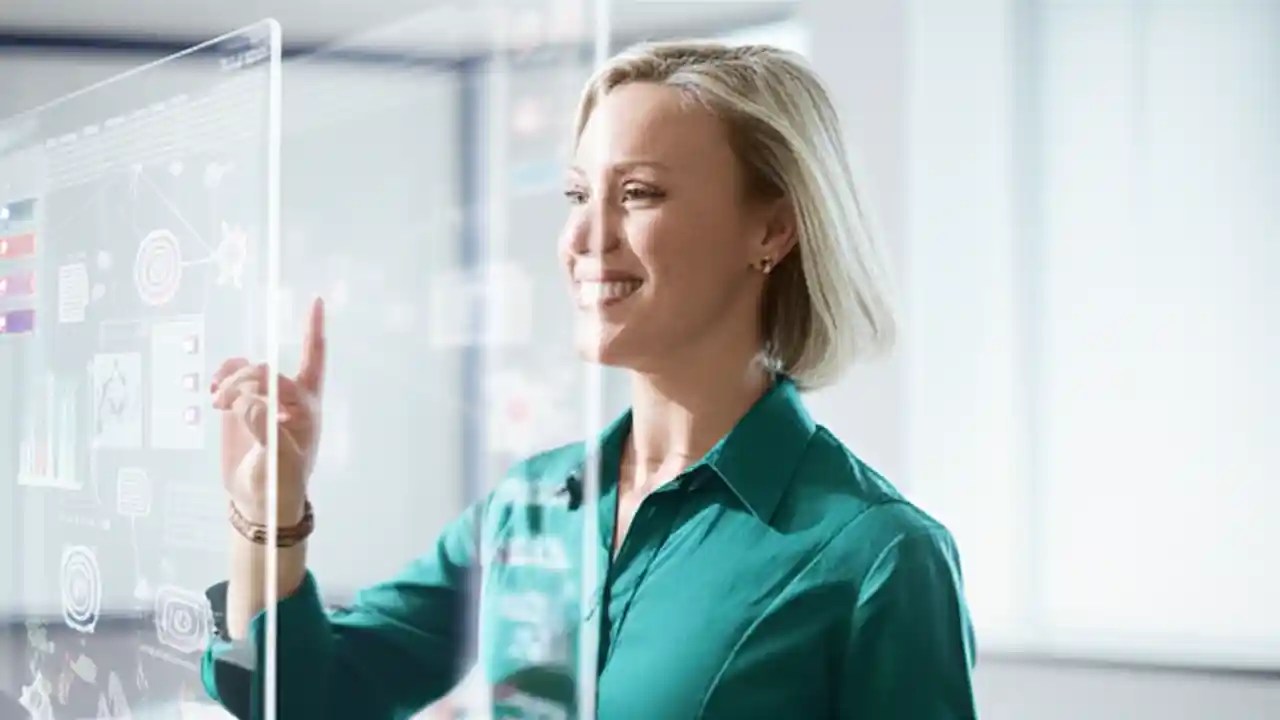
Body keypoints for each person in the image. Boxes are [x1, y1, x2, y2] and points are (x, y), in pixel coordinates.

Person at [200, 40, 978, 719]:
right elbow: (310, 698)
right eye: (578, 194)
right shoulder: (532, 509)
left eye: (638, 194)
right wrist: (268, 510)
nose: (581, 236)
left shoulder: (882, 556)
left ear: (772, 228)